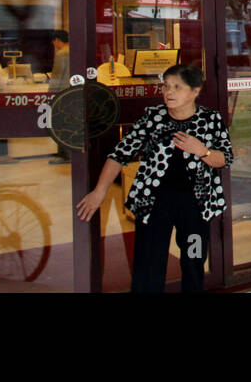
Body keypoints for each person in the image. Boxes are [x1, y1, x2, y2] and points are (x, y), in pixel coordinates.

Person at [75, 64, 233, 292]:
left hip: (195, 207)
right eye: (166, 86)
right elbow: (119, 154)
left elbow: (225, 158)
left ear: (195, 91)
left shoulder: (211, 120)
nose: (169, 92)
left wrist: (203, 151)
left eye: (177, 87)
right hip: (153, 204)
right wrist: (100, 191)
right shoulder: (152, 118)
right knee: (148, 266)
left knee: (193, 261)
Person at [49, 30, 71, 164]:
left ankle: (64, 155)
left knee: (61, 125)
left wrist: (50, 94)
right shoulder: (77, 49)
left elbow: (56, 76)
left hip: (63, 93)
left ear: (57, 40)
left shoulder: (62, 53)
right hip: (74, 92)